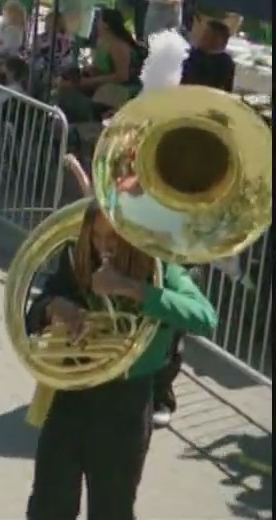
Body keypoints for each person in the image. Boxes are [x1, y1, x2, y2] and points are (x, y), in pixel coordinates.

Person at [23, 203, 217, 520]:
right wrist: (55, 307)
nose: (103, 248)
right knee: (48, 506)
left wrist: (133, 289)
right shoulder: (78, 259)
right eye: (96, 237)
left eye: (113, 238)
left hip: (124, 410)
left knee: (111, 511)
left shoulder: (160, 269)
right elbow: (36, 310)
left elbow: (205, 318)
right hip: (71, 397)